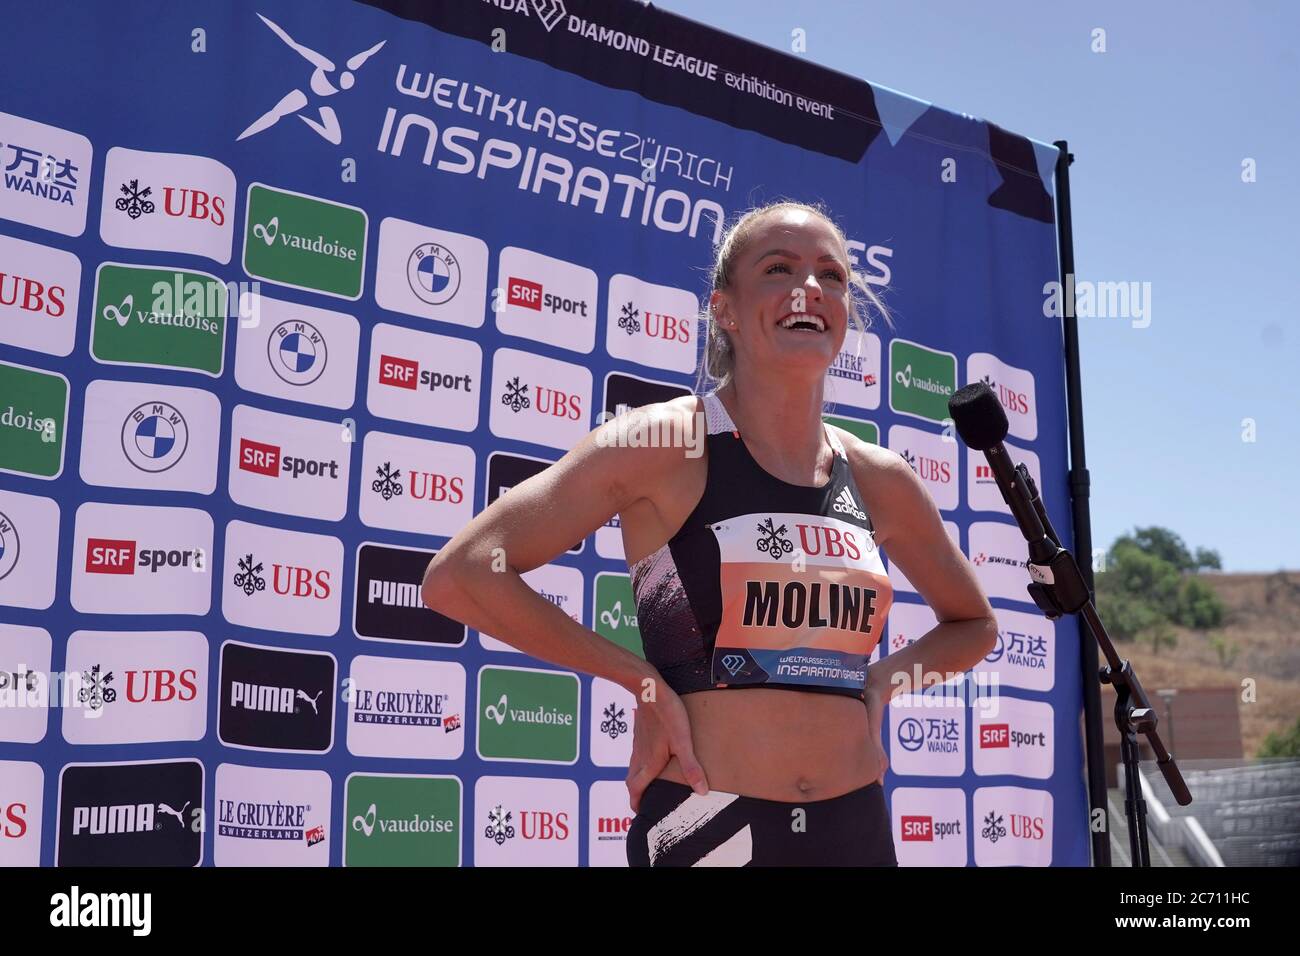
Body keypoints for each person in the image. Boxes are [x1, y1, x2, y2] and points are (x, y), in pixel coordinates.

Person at [422, 199, 999, 867]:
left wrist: (882, 684)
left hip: (854, 827)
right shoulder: (664, 442)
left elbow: (973, 625)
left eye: (831, 275)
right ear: (724, 309)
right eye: (778, 269)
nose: (809, 288)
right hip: (707, 822)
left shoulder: (880, 477)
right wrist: (640, 682)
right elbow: (462, 574)